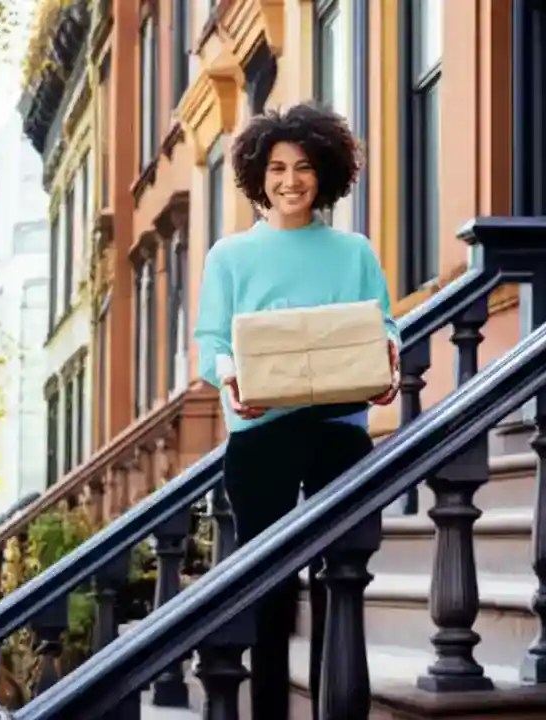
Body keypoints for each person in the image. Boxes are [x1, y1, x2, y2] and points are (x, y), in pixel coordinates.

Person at [194, 102, 399, 720]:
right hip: (262, 432)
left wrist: (389, 362)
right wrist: (230, 376)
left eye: (304, 167)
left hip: (339, 430)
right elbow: (211, 343)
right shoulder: (229, 257)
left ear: (324, 172)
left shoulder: (354, 251)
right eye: (278, 168)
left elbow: (384, 323)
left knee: (342, 579)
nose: (291, 180)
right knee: (271, 590)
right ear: (258, 176)